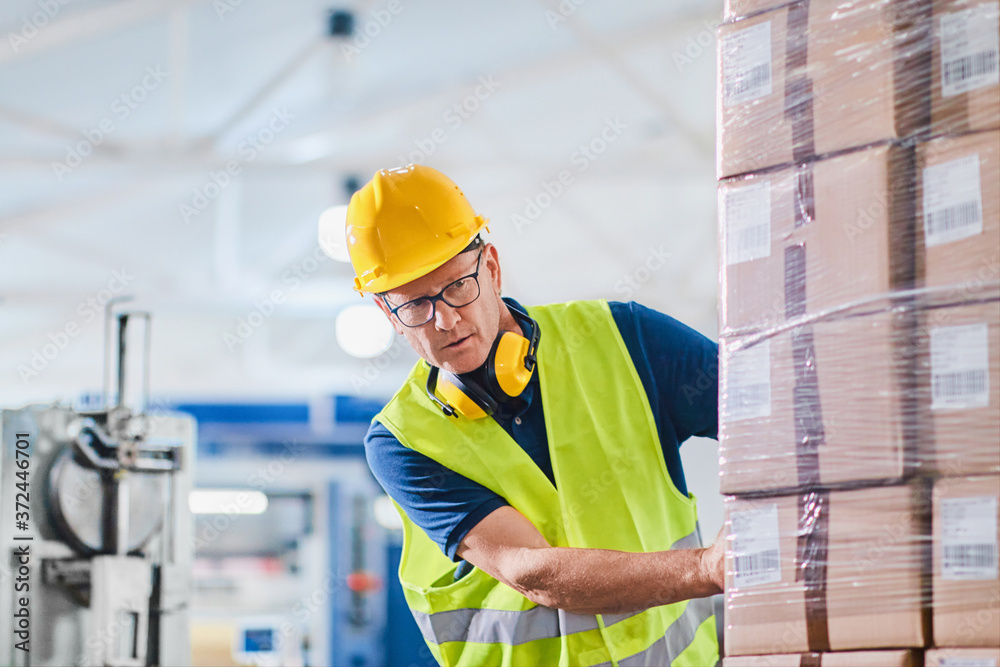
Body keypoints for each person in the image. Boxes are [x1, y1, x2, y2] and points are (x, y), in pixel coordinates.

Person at [329, 164, 724, 666]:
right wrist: (707, 568)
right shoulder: (402, 442)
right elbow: (531, 571)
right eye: (415, 306)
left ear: (491, 267)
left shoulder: (625, 339)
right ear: (390, 316)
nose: (445, 320)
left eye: (457, 286)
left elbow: (771, 417)